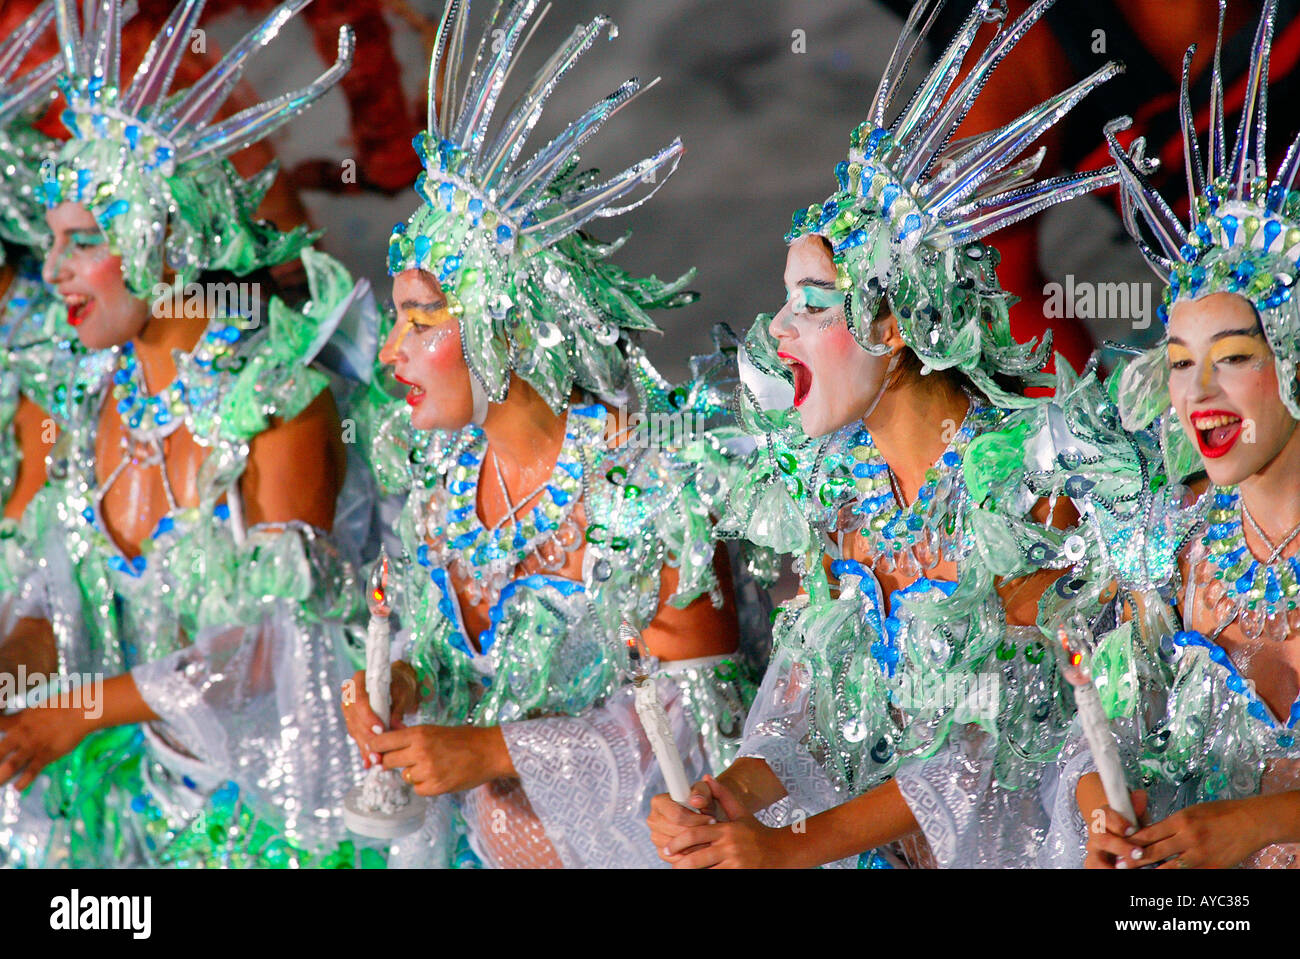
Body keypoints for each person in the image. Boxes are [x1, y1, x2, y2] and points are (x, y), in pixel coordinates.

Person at [648, 0, 1122, 868]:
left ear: (894, 325)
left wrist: (795, 846)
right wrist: (734, 793)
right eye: (787, 298)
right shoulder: (843, 492)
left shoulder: (1023, 490)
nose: (778, 329)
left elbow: (1002, 745)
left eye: (814, 303)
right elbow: (809, 720)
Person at [340, 0, 755, 869]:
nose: (389, 351)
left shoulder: (650, 487)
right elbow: (448, 659)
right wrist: (406, 691)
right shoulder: (442, 480)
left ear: (510, 326)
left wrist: (492, 750)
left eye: (421, 321)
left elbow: (704, 722)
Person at [0, 0, 373, 868]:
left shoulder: (277, 401)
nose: (51, 271)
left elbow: (274, 650)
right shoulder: (95, 393)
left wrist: (77, 711)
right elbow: (67, 602)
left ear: (166, 243)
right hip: (144, 812)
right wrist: (11, 670)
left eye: (82, 241)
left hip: (275, 832)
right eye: (52, 242)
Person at [1043, 0, 1300, 869]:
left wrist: (1258, 823)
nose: (1200, 393)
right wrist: (1104, 815)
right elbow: (1094, 736)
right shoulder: (1167, 542)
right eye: (1181, 363)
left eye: (1232, 357)